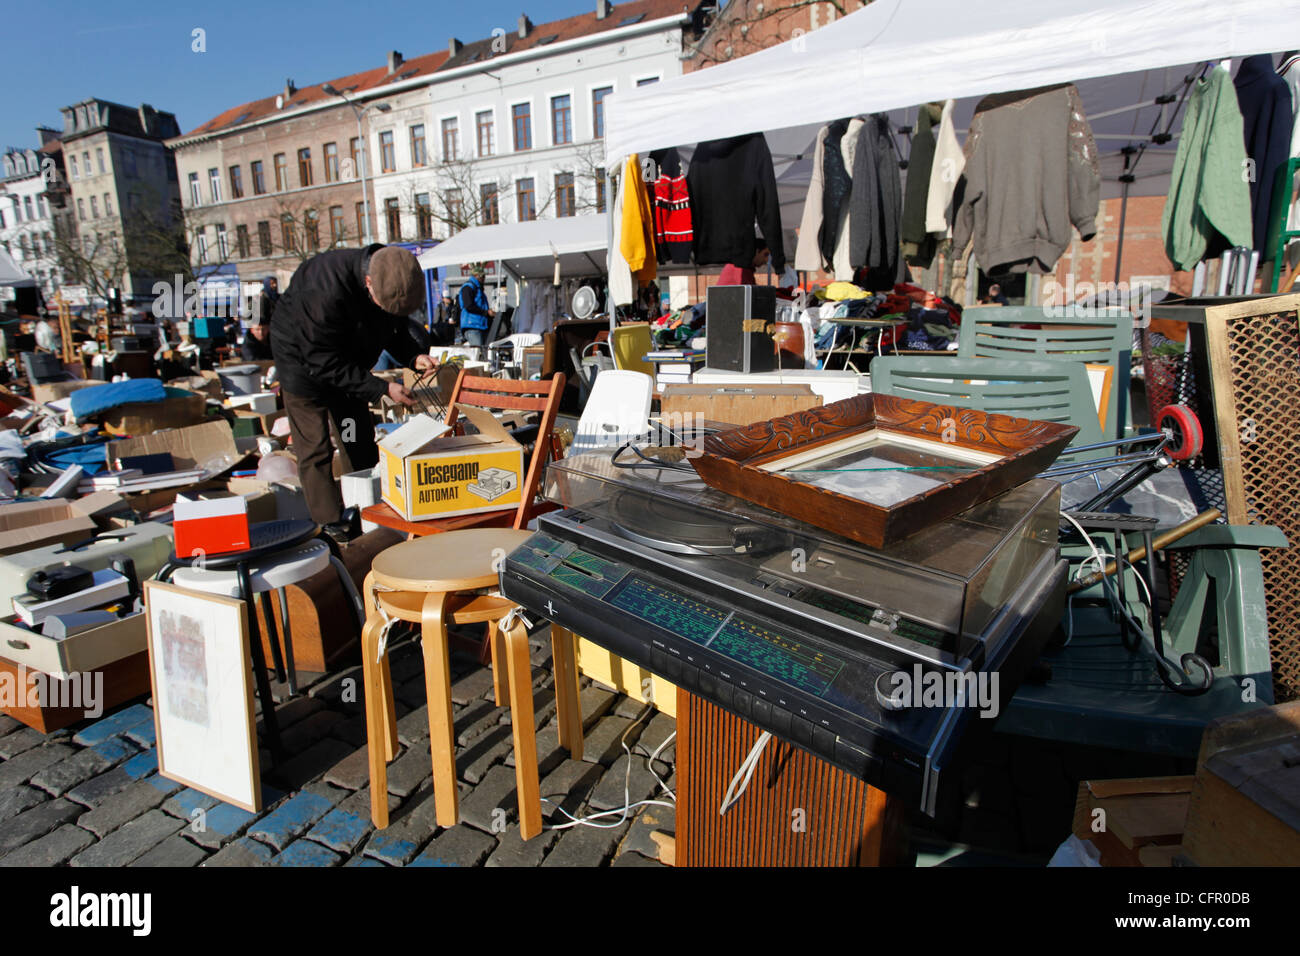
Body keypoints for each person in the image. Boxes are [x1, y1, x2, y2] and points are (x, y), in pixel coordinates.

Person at [270, 244, 434, 541]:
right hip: (304, 368)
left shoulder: (391, 275)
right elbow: (321, 360)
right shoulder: (322, 290)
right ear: (368, 282)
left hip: (350, 365)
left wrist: (413, 357)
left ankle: (370, 510)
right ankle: (333, 528)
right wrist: (381, 387)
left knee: (355, 436)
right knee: (316, 449)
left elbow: (392, 329)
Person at [457, 266, 494, 348]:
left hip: (479, 326)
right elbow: (468, 306)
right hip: (472, 326)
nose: (484, 278)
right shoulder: (468, 287)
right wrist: (486, 312)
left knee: (482, 351)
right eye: (482, 276)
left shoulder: (478, 288)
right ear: (476, 276)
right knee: (478, 351)